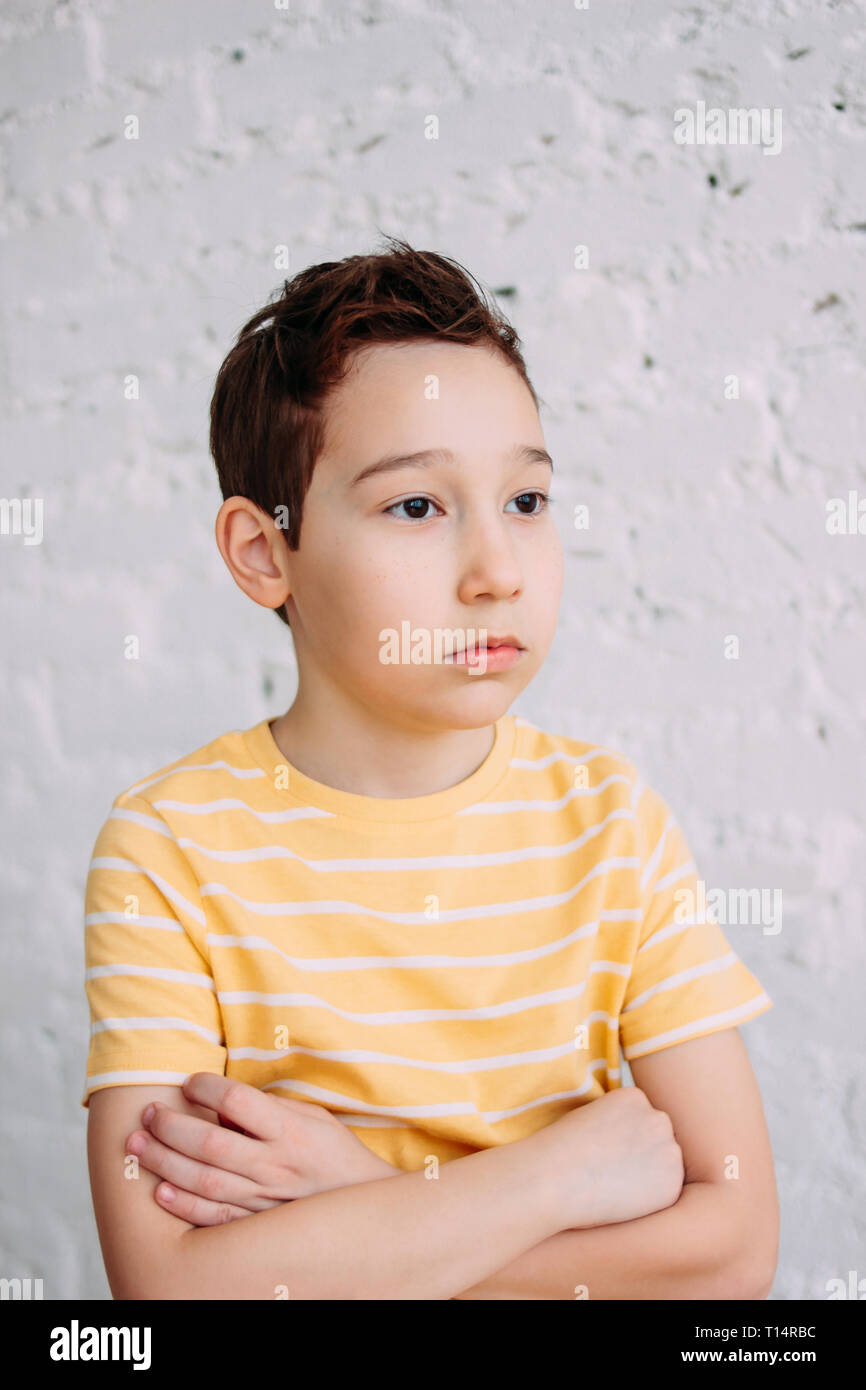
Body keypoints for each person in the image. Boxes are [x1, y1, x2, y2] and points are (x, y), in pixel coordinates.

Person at [83, 236, 778, 1300]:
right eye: (416, 506)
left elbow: (731, 1254)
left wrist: (356, 1198)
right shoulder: (170, 847)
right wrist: (554, 1178)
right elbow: (171, 1290)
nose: (497, 572)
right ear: (264, 551)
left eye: (526, 502)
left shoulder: (610, 825)